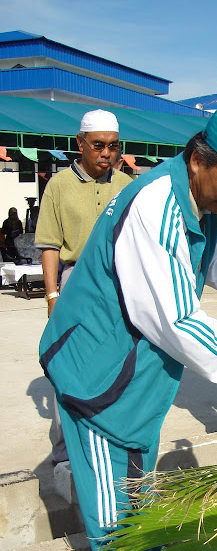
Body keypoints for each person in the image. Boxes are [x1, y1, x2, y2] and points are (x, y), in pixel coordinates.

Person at [39, 107, 217, 551]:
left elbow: (214, 256)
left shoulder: (202, 201)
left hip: (130, 361)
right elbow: (174, 319)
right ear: (201, 159)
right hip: (96, 359)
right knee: (107, 471)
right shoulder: (155, 204)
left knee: (135, 462)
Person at [35, 109, 131, 467]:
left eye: (113, 146)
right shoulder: (58, 186)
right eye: (99, 145)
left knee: (118, 365)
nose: (107, 153)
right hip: (75, 281)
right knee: (69, 366)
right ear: (80, 144)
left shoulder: (126, 185)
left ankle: (111, 447)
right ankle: (66, 454)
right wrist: (51, 295)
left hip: (121, 282)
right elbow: (48, 244)